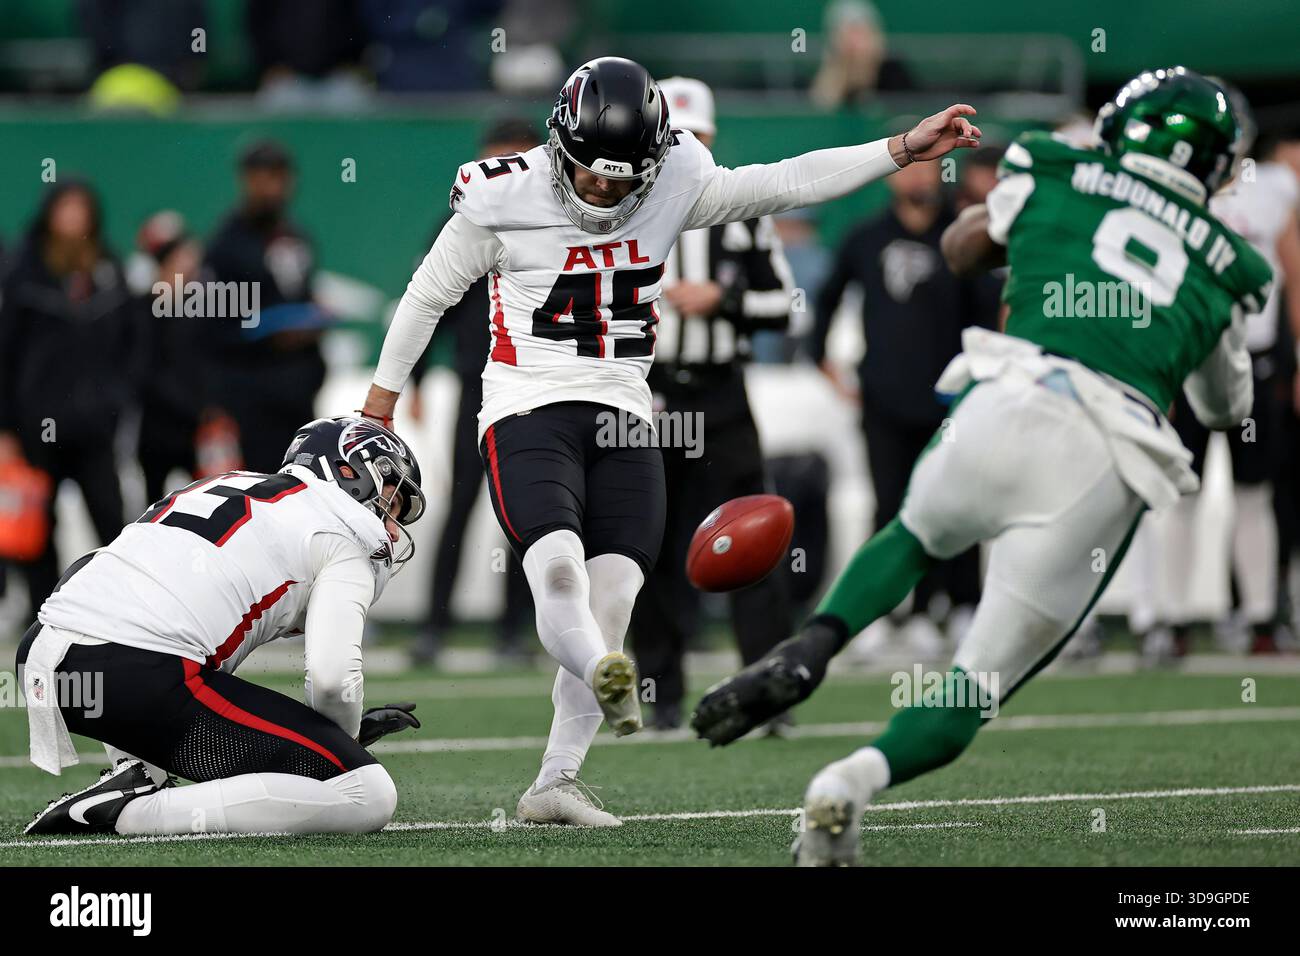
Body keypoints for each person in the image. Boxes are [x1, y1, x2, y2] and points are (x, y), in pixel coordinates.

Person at [359, 55, 980, 826]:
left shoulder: (677, 177)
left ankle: (555, 779)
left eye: (624, 179)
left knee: (615, 593)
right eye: (592, 175)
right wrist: (380, 405)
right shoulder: (502, 193)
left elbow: (787, 181)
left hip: (625, 407)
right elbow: (427, 293)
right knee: (558, 573)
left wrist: (899, 148)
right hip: (527, 404)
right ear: (560, 145)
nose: (606, 191)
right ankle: (603, 671)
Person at [691, 67, 1269, 865]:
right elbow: (1225, 408)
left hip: (1007, 394)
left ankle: (814, 644)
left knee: (913, 535)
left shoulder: (1055, 167)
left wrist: (1013, 227)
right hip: (1106, 450)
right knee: (974, 688)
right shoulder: (1227, 261)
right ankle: (849, 783)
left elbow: (964, 250)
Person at [18, 417, 425, 836]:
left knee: (182, 644)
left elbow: (100, 572)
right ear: (348, 472)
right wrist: (342, 741)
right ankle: (127, 813)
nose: (392, 528)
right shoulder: (344, 533)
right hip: (130, 671)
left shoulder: (228, 483)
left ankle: (137, 774)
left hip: (47, 654)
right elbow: (331, 678)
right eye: (390, 504)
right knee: (366, 794)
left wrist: (328, 738)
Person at [628, 76, 795, 732]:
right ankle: (661, 691)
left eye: (699, 139)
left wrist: (721, 301)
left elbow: (783, 305)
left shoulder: (742, 210)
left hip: (721, 391)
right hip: (648, 393)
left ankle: (768, 689)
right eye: (677, 139)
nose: (689, 151)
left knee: (754, 536)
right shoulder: (626, 207)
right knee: (651, 543)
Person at [809, 157, 992, 650]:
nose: (918, 178)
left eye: (928, 169)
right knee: (889, 508)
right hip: (884, 400)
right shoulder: (865, 237)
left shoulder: (962, 236)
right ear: (891, 176)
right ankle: (889, 612)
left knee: (956, 505)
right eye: (910, 168)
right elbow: (822, 304)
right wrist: (828, 367)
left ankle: (958, 605)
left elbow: (987, 317)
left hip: (951, 402)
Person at [407, 118, 541, 667]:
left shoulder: (552, 226)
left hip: (533, 384)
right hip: (476, 384)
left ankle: (513, 631)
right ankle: (434, 626)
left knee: (525, 512)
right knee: (462, 501)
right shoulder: (462, 222)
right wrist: (413, 380)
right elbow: (428, 304)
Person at [0, 181, 132, 615]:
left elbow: (130, 346)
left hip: (95, 424)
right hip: (38, 424)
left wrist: (117, 400)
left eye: (81, 209)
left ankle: (123, 613)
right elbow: (6, 354)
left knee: (112, 520)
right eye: (65, 208)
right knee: (38, 526)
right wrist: (6, 427)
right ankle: (45, 613)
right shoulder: (24, 272)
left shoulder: (108, 270)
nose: (73, 218)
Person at [204, 139, 329, 473]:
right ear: (246, 181)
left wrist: (311, 324)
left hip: (296, 391)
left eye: (279, 177)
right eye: (264, 178)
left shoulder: (297, 237)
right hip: (249, 396)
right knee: (256, 490)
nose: (273, 188)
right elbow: (213, 327)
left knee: (300, 487)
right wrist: (266, 333)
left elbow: (300, 297)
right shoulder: (225, 246)